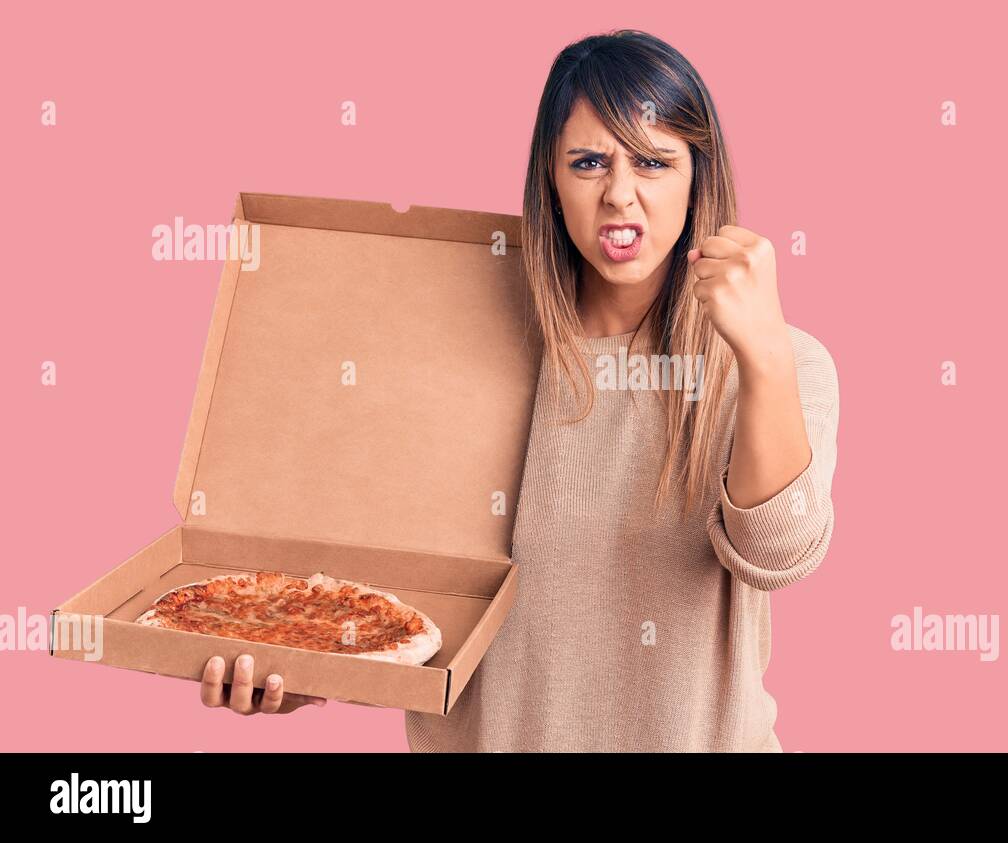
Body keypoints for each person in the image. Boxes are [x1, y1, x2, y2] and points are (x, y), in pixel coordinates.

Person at [200, 29, 839, 753]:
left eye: (654, 162)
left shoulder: (784, 364)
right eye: (589, 161)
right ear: (551, 177)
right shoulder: (465, 358)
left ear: (699, 176)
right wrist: (308, 663)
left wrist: (763, 359)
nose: (620, 194)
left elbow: (781, 554)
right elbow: (407, 591)